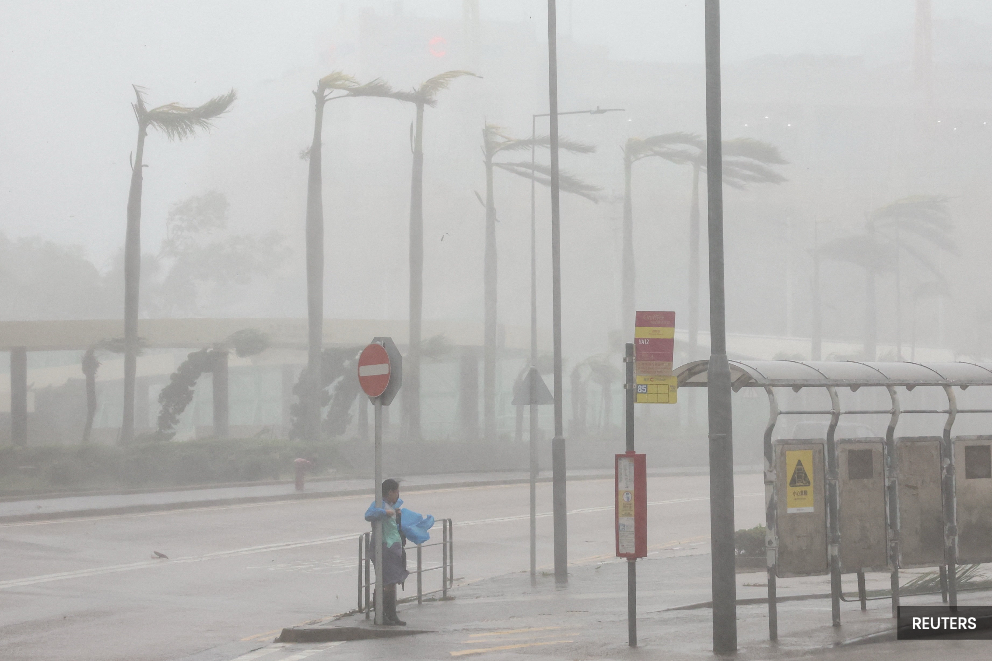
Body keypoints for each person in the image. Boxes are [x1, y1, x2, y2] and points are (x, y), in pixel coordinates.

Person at [364, 478, 410, 626]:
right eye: (396, 491)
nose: (398, 494)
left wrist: (395, 513)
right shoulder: (380, 505)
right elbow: (369, 515)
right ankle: (381, 614)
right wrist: (386, 512)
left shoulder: (392, 505)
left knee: (391, 582)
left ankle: (391, 614)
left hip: (393, 547)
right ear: (390, 492)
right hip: (383, 546)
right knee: (383, 581)